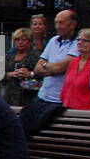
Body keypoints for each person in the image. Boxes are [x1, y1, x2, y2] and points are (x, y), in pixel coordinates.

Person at [20, 8, 78, 136]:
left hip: (60, 100)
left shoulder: (78, 43)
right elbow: (38, 68)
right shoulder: (53, 41)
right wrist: (52, 68)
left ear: (73, 24)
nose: (57, 26)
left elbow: (60, 68)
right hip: (43, 96)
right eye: (56, 22)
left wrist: (47, 66)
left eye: (61, 22)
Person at [0, 28, 42, 107]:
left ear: (30, 42)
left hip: (29, 97)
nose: (20, 42)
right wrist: (10, 74)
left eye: (24, 40)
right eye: (17, 40)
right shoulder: (9, 56)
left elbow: (43, 75)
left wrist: (30, 74)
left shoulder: (36, 56)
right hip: (9, 97)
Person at [60, 28, 90, 110]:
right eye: (78, 40)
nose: (80, 42)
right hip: (67, 108)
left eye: (85, 40)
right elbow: (65, 88)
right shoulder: (73, 61)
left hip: (87, 110)